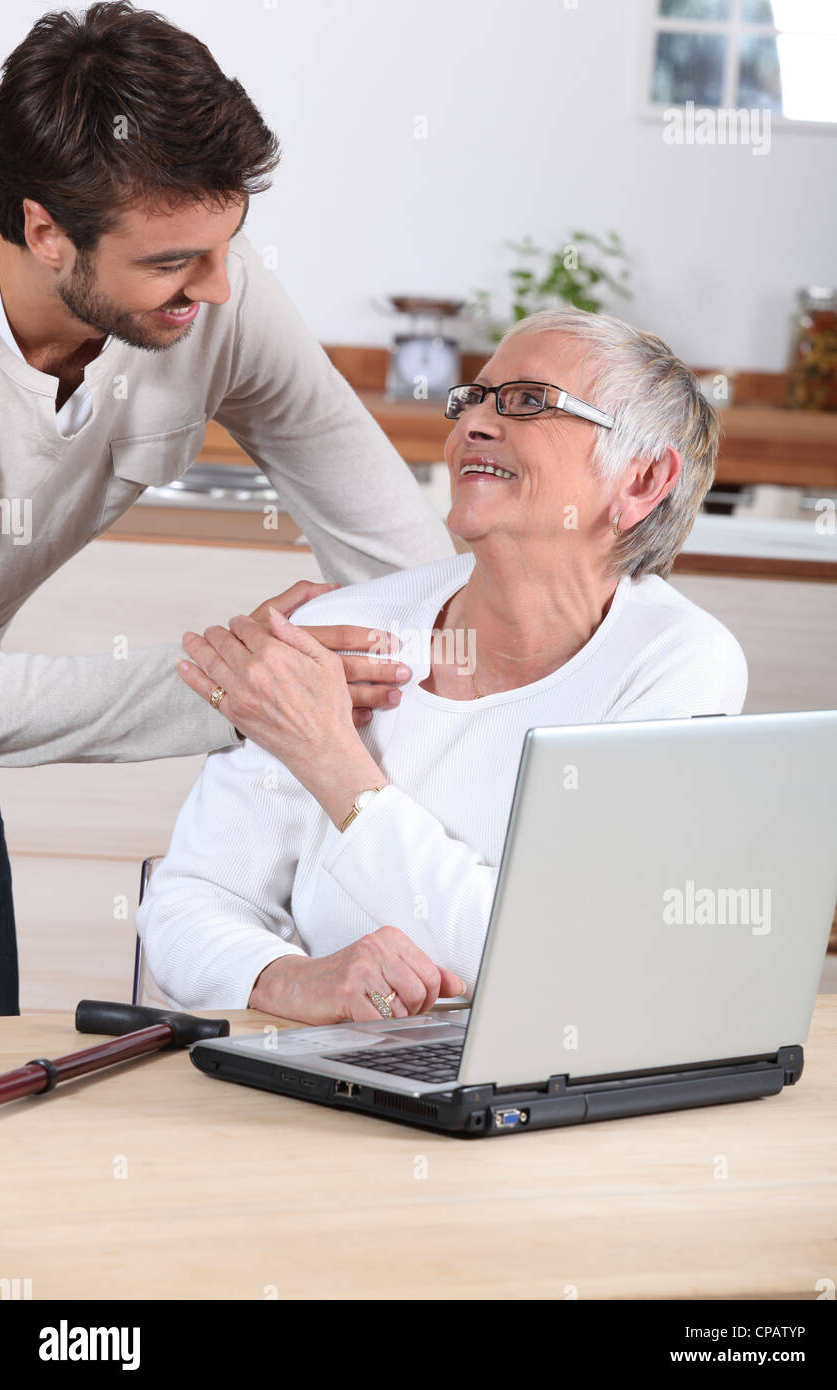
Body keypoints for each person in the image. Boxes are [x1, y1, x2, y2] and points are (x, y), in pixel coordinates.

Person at [0, 2, 454, 1014]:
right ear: (44, 231)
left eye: (227, 241)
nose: (221, 287)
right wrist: (237, 686)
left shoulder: (210, 299)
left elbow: (402, 556)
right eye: (171, 263)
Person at [137, 306, 748, 1021]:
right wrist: (284, 978)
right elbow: (187, 901)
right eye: (474, 398)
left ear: (642, 480)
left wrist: (331, 759)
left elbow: (557, 965)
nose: (474, 426)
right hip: (328, 1084)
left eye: (528, 402)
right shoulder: (343, 631)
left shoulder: (676, 664)